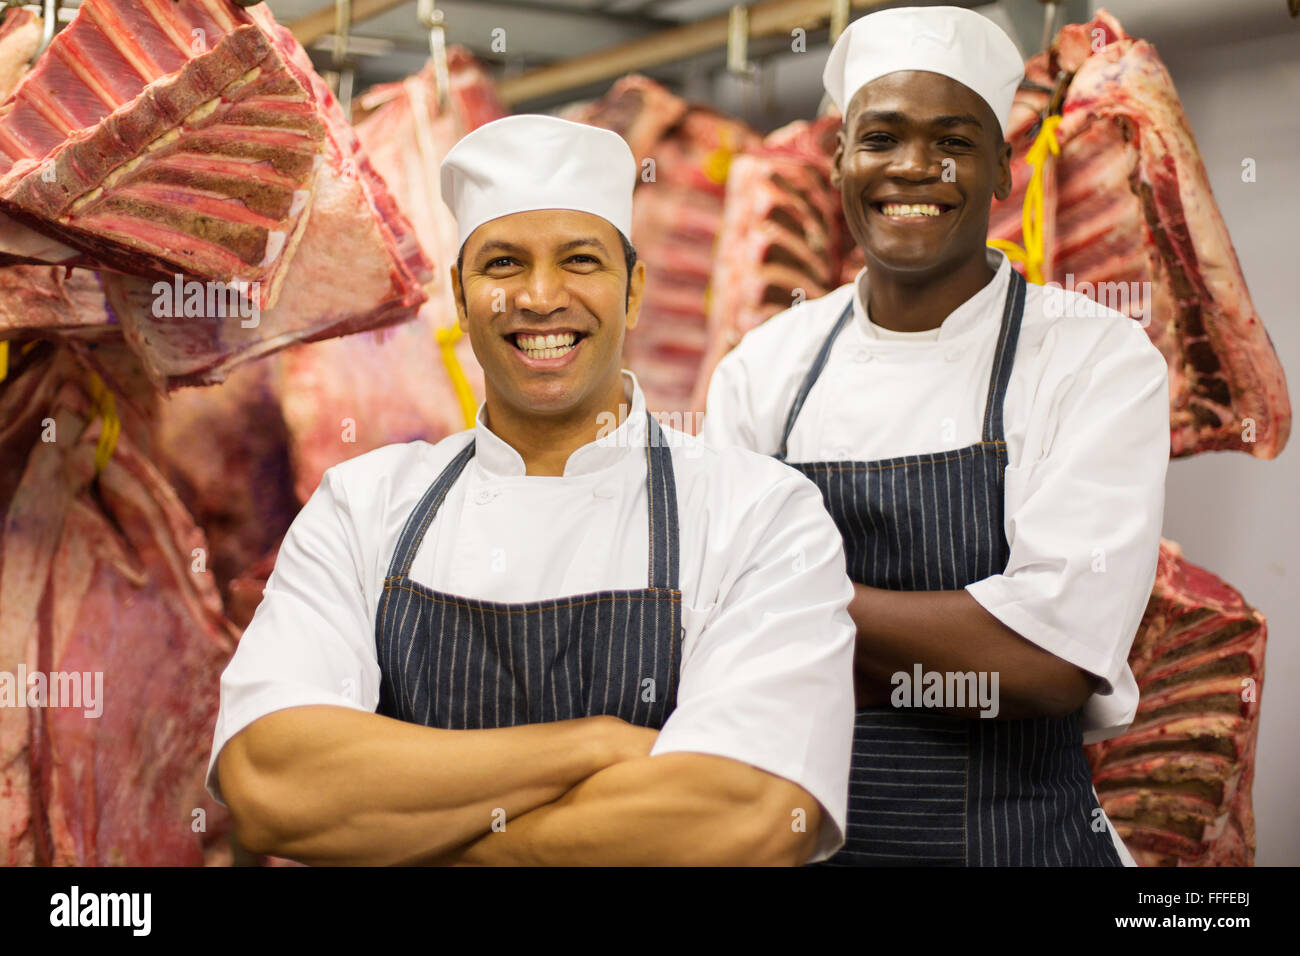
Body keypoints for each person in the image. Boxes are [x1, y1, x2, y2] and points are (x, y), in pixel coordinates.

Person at [208, 114, 856, 866]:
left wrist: (409, 837)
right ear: (460, 293)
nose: (541, 297)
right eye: (504, 264)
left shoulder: (759, 513)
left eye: (580, 261)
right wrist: (597, 746)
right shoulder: (362, 506)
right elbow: (270, 784)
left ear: (634, 289)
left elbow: (751, 814)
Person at [700, 6, 1170, 866]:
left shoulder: (1095, 359)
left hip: (1023, 842)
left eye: (953, 139)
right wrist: (957, 642)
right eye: (880, 137)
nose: (914, 166)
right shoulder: (764, 370)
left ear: (1001, 168)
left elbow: (1045, 669)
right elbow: (715, 644)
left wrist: (793, 612)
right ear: (841, 160)